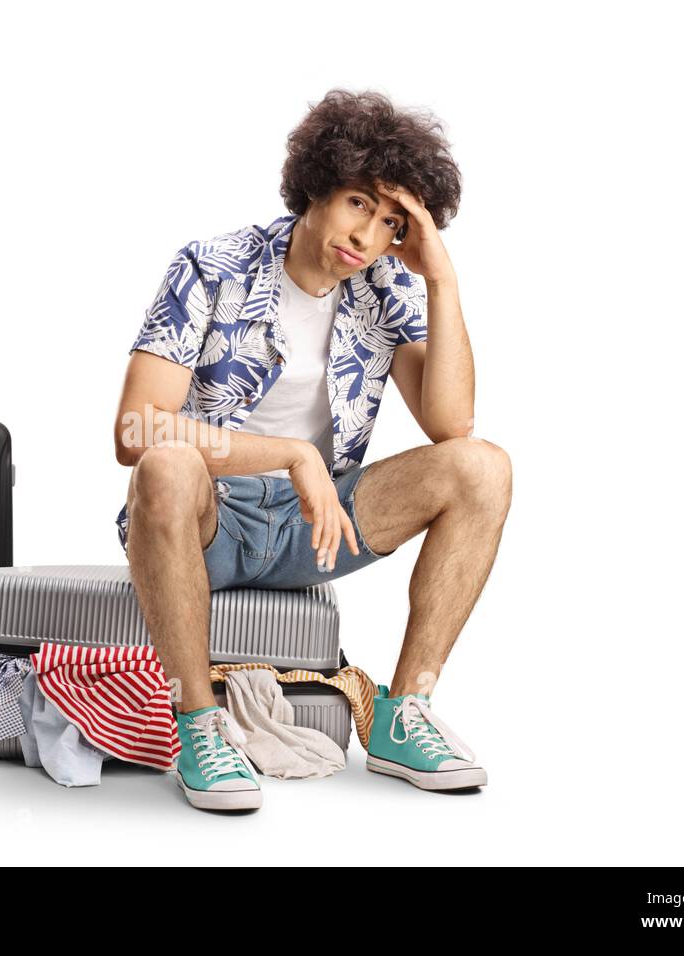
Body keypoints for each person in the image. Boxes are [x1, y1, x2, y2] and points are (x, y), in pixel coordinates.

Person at [113, 89, 512, 812]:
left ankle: (404, 713)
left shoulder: (387, 285)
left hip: (316, 525)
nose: (369, 235)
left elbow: (452, 425)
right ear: (319, 184)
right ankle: (201, 725)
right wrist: (293, 456)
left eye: (393, 223)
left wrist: (441, 278)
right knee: (167, 462)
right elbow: (135, 430)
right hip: (211, 516)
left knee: (483, 467)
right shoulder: (213, 265)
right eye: (361, 203)